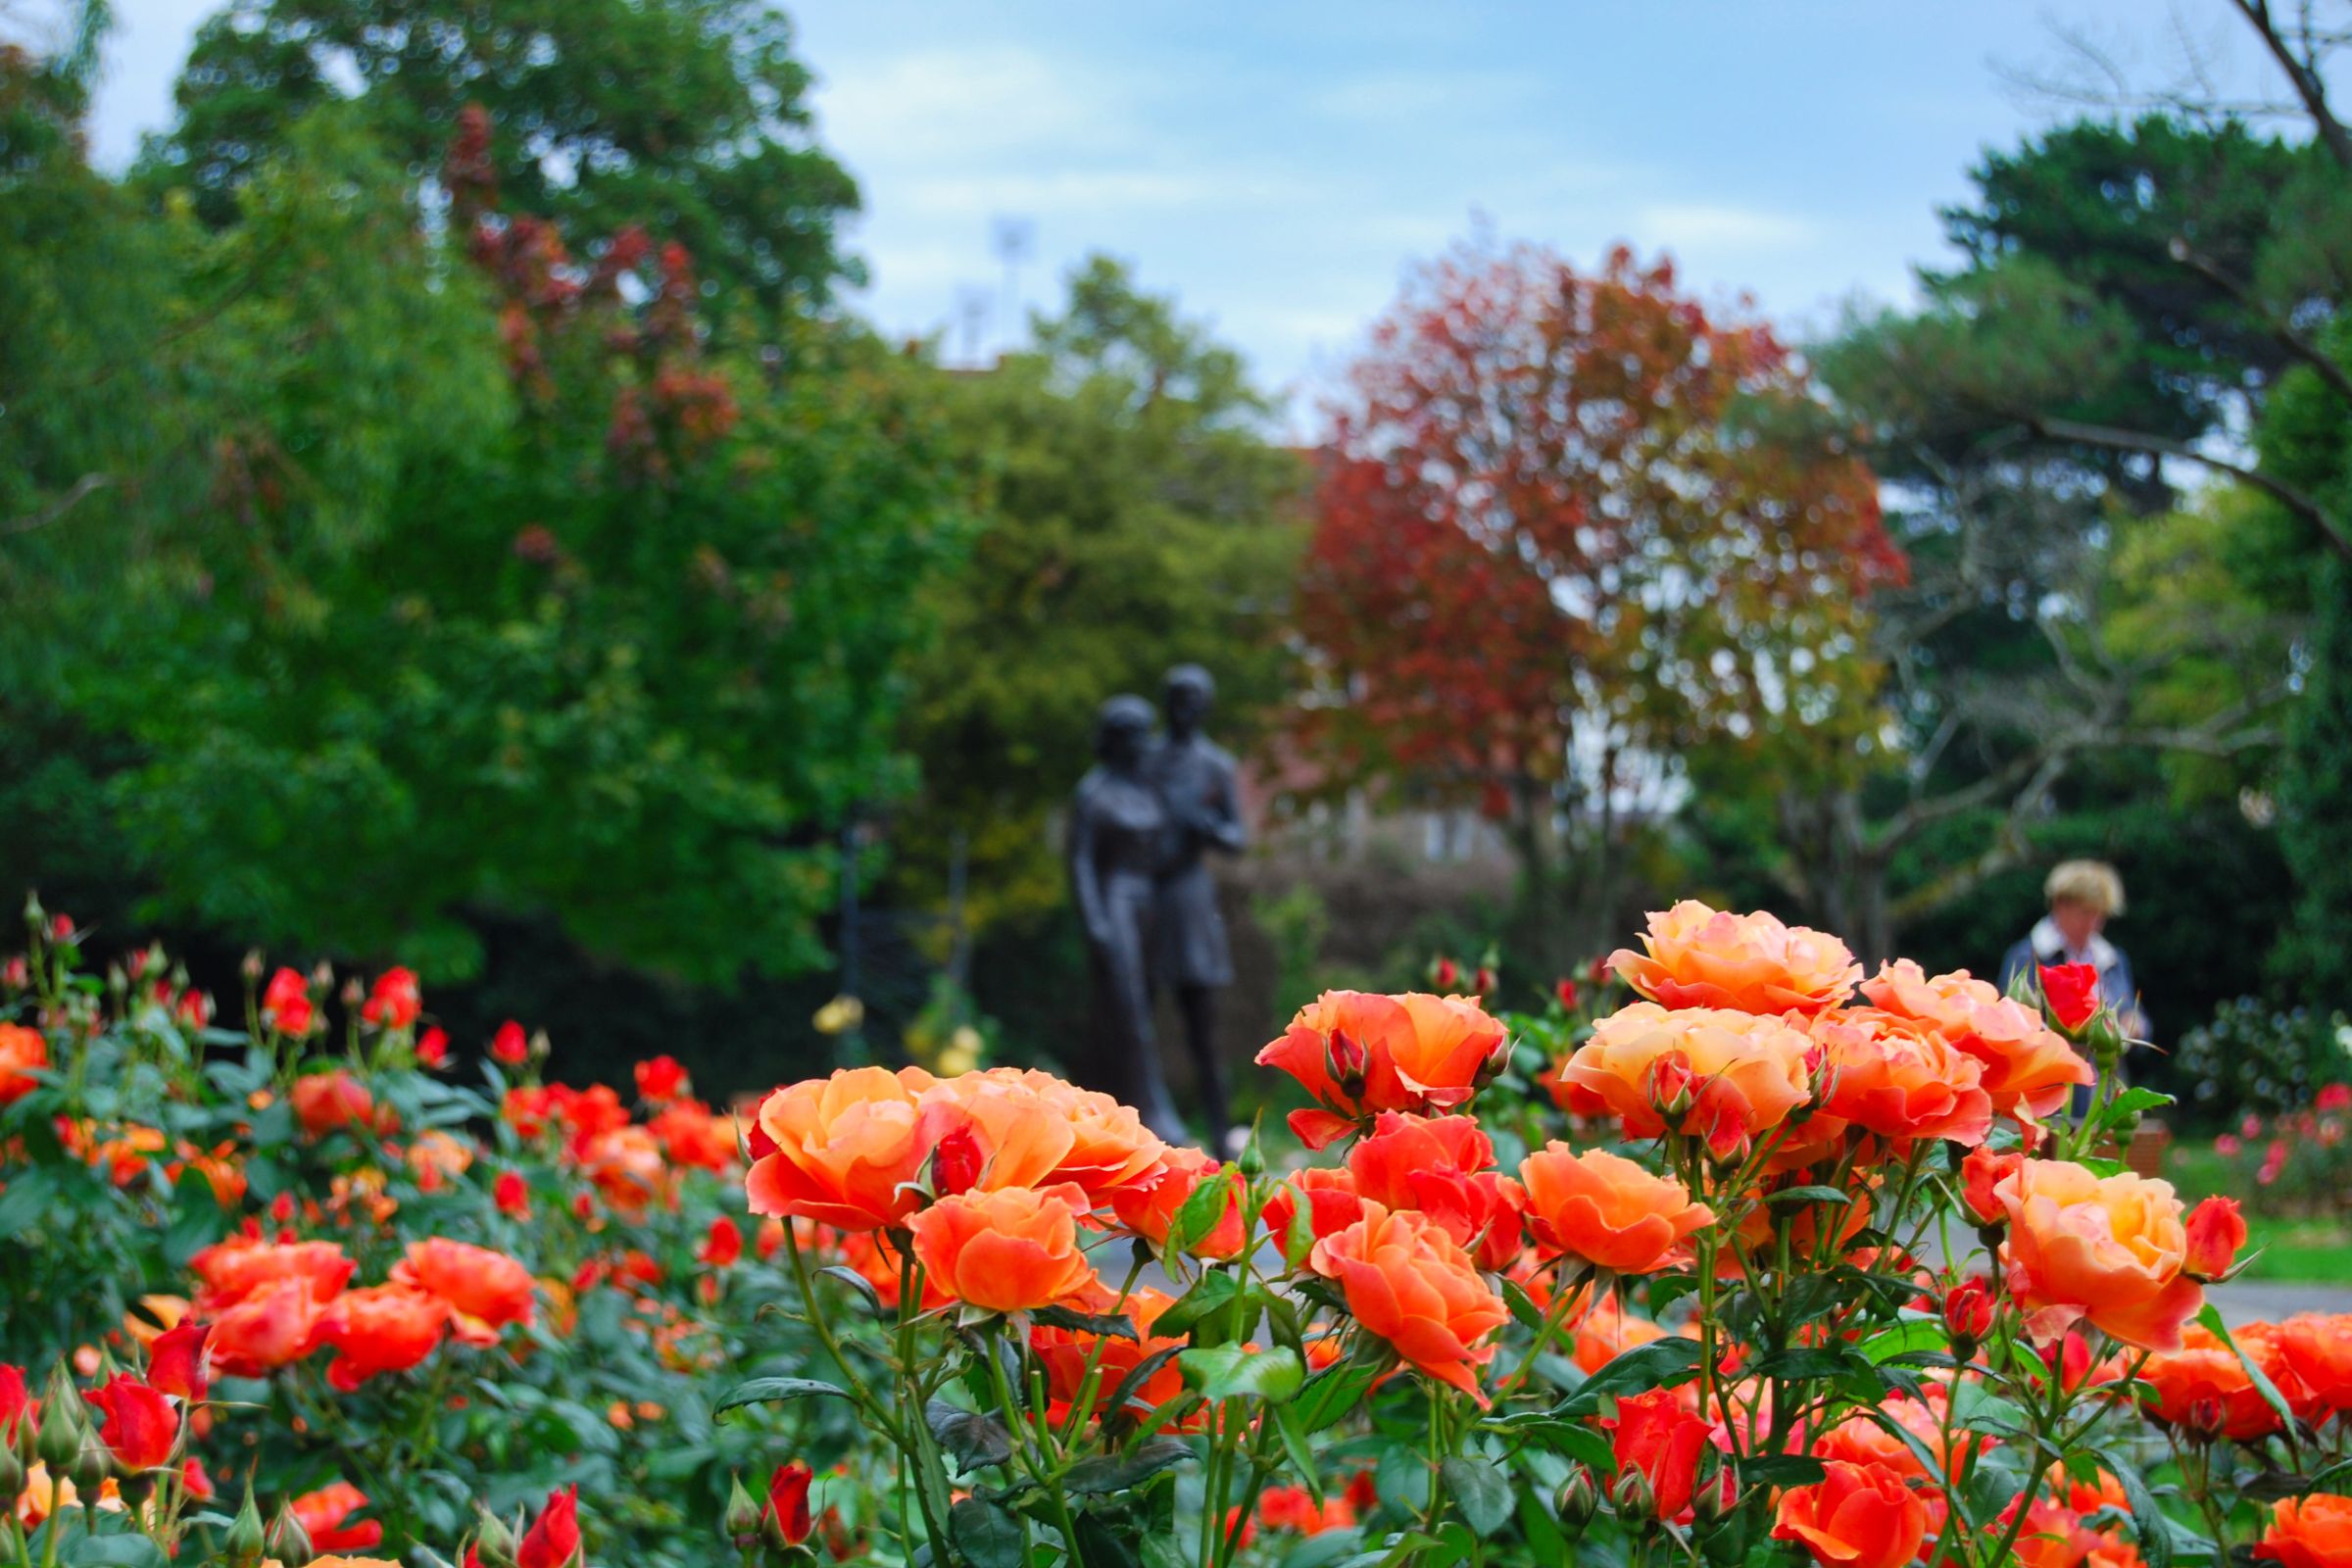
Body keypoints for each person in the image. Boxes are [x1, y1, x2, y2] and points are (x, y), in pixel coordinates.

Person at [1066, 695, 1188, 1144]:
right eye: (1135, 733)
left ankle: (1099, 1108)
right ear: (1117, 738)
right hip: (1114, 899)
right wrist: (1095, 921)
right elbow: (1079, 863)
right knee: (1128, 1006)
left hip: (1149, 903)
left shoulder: (1145, 787)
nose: (1145, 742)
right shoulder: (1093, 791)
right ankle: (1154, 1112)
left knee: (1129, 1008)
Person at [1145, 665, 1247, 1152]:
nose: (1185, 709)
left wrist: (1206, 825)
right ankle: (1134, 1130)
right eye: (1177, 699)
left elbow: (1236, 837)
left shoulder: (1215, 764)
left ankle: (1220, 1133)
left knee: (1203, 1026)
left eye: (1194, 700)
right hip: (1145, 893)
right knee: (1135, 1015)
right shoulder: (1145, 759)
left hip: (1188, 897)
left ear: (1205, 707)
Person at [1998, 858, 2150, 1043]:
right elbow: (2013, 1023)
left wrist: (2135, 1025)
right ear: (2060, 904)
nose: (2093, 924)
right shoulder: (2026, 956)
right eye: (2086, 912)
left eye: (2100, 914)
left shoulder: (2113, 958)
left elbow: (2132, 1012)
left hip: (2107, 1069)